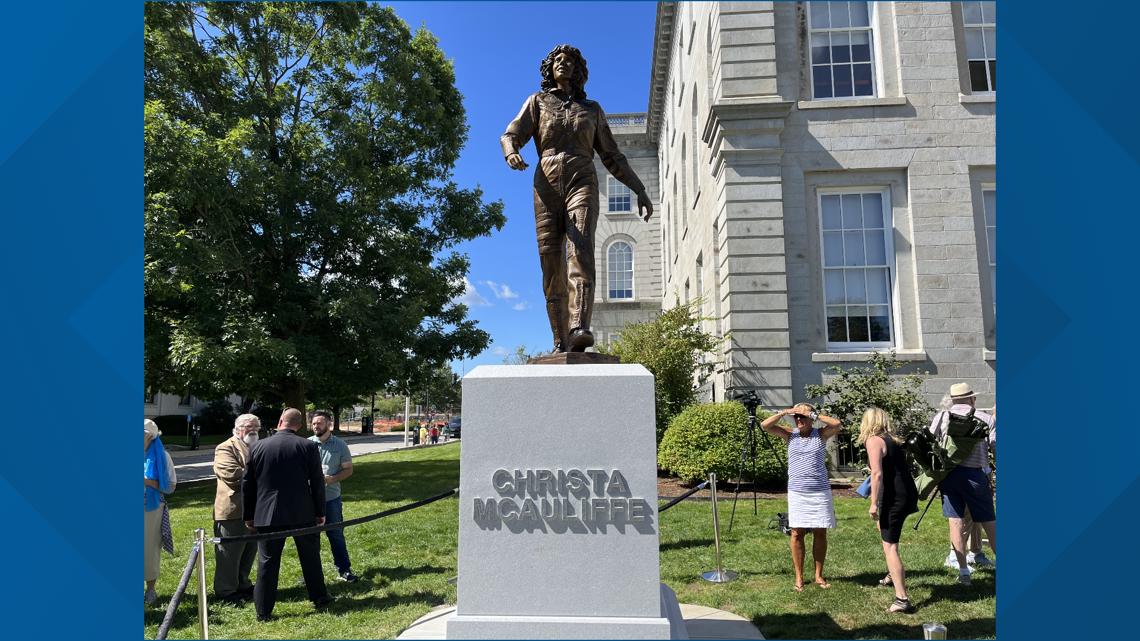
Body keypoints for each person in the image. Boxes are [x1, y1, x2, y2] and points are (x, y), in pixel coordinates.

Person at [501, 44, 653, 352]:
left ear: (578, 70)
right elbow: (510, 134)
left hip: (581, 179)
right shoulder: (537, 102)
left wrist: (639, 188)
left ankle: (579, 327)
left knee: (580, 248)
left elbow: (613, 156)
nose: (564, 64)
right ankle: (560, 339)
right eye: (558, 60)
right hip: (545, 185)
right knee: (550, 262)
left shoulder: (592, 110)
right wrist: (511, 152)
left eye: (570, 61)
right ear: (550, 67)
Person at [243, 408, 333, 621]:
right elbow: (317, 482)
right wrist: (320, 511)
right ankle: (319, 597)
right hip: (302, 511)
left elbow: (247, 484)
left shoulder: (257, 447)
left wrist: (249, 514)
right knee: (310, 557)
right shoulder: (308, 446)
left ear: (280, 421)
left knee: (267, 563)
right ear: (300, 425)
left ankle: (263, 610)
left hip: (267, 512)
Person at [760, 403, 843, 592]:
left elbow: (837, 425)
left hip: (819, 492)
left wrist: (814, 414)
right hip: (798, 492)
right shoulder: (790, 435)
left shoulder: (820, 434)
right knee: (797, 533)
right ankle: (799, 577)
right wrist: (784, 412)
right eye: (796, 417)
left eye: (802, 417)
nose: (798, 420)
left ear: (810, 418)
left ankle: (818, 575)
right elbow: (765, 425)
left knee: (820, 532)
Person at [928, 382, 997, 585]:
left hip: (950, 476)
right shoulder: (985, 418)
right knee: (989, 522)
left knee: (955, 522)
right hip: (976, 476)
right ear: (972, 398)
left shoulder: (942, 417)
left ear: (953, 399)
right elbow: (995, 447)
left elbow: (931, 444)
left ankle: (963, 571)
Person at [858, 407, 918, 613]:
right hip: (906, 491)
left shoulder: (874, 440)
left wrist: (873, 503)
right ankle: (892, 575)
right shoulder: (892, 440)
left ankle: (902, 599)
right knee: (884, 531)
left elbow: (876, 474)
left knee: (889, 545)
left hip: (893, 495)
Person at [212, 414, 260, 605]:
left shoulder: (257, 446)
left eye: (257, 427)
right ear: (238, 428)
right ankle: (226, 591)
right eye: (249, 427)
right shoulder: (225, 447)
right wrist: (263, 473)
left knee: (249, 551)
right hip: (232, 510)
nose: (254, 430)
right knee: (229, 554)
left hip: (255, 509)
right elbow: (231, 474)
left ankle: (243, 585)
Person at [309, 410, 359, 583]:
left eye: (319, 423)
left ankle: (344, 569)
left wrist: (332, 479)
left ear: (329, 424)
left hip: (331, 498)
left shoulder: (340, 445)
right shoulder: (306, 444)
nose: (316, 426)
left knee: (336, 534)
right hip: (309, 500)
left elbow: (348, 470)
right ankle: (311, 573)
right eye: (314, 423)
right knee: (309, 538)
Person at [144, 419, 175, 605]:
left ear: (151, 436)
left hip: (151, 509)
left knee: (149, 549)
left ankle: (150, 590)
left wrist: (147, 482)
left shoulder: (163, 456)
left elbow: (170, 487)